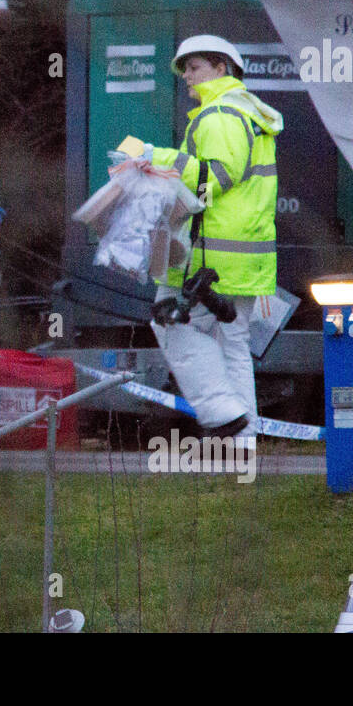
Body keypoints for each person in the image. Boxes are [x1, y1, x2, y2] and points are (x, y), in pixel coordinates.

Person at [145, 35, 283, 448]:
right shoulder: (248, 113)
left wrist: (160, 159)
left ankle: (222, 413)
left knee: (169, 322)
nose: (185, 76)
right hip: (241, 257)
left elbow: (217, 178)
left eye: (194, 67)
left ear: (221, 68)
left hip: (209, 256)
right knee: (232, 345)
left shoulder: (219, 113)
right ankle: (243, 445)